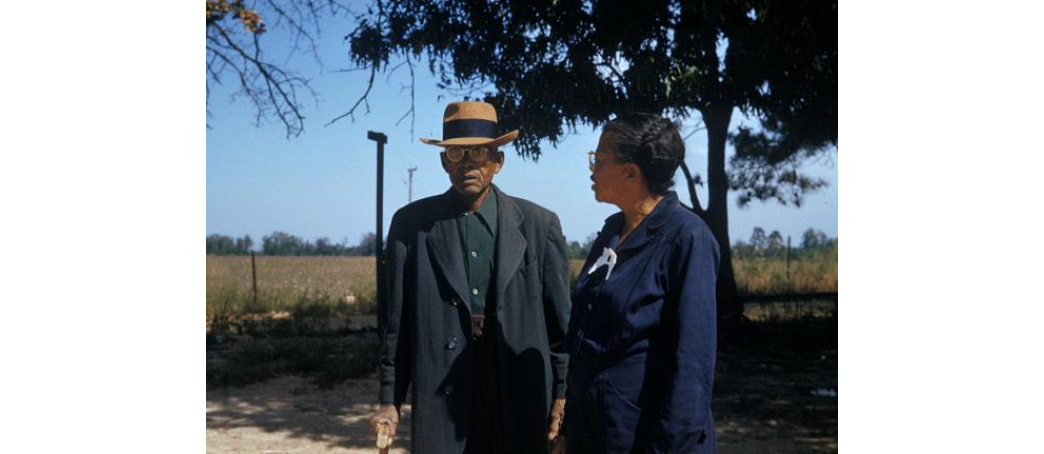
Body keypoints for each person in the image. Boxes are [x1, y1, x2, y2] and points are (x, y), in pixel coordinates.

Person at [369, 101, 571, 454]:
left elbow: (561, 327)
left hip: (518, 389)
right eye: (456, 153)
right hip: (442, 391)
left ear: (498, 161)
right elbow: (395, 326)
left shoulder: (539, 224)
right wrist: (390, 400)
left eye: (478, 153)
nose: (467, 163)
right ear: (443, 162)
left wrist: (562, 394)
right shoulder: (411, 225)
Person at [560, 114, 720, 453]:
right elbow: (584, 343)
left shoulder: (688, 238)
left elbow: (692, 364)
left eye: (599, 160)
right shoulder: (611, 231)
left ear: (630, 172)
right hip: (593, 434)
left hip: (643, 439)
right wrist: (568, 429)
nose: (592, 170)